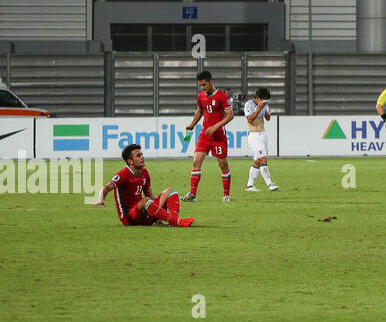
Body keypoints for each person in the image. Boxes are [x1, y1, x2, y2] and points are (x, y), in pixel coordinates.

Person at [93, 143, 193, 227]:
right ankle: (176, 221)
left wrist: (158, 213)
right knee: (145, 201)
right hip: (129, 218)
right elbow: (106, 187)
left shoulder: (144, 173)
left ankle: (173, 220)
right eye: (138, 156)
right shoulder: (123, 174)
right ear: (130, 161)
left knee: (171, 191)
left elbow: (150, 196)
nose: (142, 157)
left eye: (142, 154)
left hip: (144, 214)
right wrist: (101, 199)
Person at [181, 71, 233, 202]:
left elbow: (230, 115)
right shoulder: (201, 96)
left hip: (218, 135)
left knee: (222, 164)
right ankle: (192, 194)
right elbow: (200, 111)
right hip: (205, 134)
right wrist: (192, 124)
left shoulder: (222, 96)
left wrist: (216, 126)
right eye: (200, 86)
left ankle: (226, 195)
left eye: (204, 85)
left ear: (211, 82)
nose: (203, 88)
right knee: (196, 162)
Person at [244, 87, 279, 191]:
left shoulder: (265, 104)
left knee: (257, 161)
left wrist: (266, 110)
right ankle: (269, 184)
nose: (266, 101)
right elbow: (250, 120)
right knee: (263, 159)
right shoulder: (249, 104)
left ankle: (249, 185)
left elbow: (268, 118)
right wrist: (259, 108)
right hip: (254, 136)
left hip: (263, 134)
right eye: (265, 99)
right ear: (258, 98)